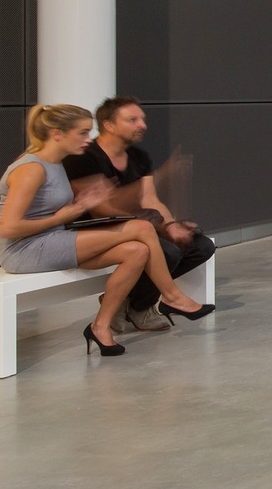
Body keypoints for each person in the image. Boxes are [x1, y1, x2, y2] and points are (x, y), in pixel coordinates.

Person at [0, 104, 213, 358]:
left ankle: (100, 327)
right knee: (141, 228)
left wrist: (81, 205)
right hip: (25, 249)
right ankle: (172, 296)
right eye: (82, 133)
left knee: (137, 251)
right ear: (57, 134)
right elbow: (8, 228)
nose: (88, 139)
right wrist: (65, 215)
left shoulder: (56, 164)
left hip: (52, 240)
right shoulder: (31, 169)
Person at [62, 97, 215, 336]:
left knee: (200, 247)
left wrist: (170, 224)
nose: (142, 125)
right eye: (132, 120)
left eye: (142, 119)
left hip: (137, 225)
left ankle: (131, 303)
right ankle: (145, 305)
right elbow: (102, 209)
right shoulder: (84, 156)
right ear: (109, 125)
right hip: (98, 230)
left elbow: (150, 199)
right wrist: (153, 222)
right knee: (168, 251)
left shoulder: (139, 156)